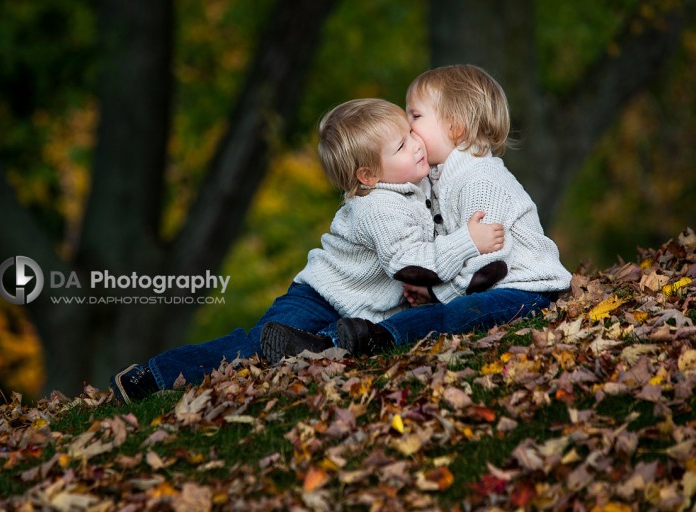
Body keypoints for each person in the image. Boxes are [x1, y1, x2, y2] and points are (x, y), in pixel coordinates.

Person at [110, 98, 506, 403]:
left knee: (305, 356)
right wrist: (467, 240)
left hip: (358, 311)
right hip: (318, 297)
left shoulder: (409, 184)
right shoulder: (377, 207)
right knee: (257, 346)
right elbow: (408, 262)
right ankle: (152, 376)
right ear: (368, 175)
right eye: (402, 145)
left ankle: (312, 350)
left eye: (410, 132)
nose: (417, 144)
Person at [329, 64, 573, 357]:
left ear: (455, 127)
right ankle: (339, 338)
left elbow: (489, 265)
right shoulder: (435, 179)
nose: (408, 126)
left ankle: (381, 337)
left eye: (415, 116)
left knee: (461, 313)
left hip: (527, 290)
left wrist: (436, 292)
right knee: (450, 311)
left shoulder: (480, 179)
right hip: (486, 290)